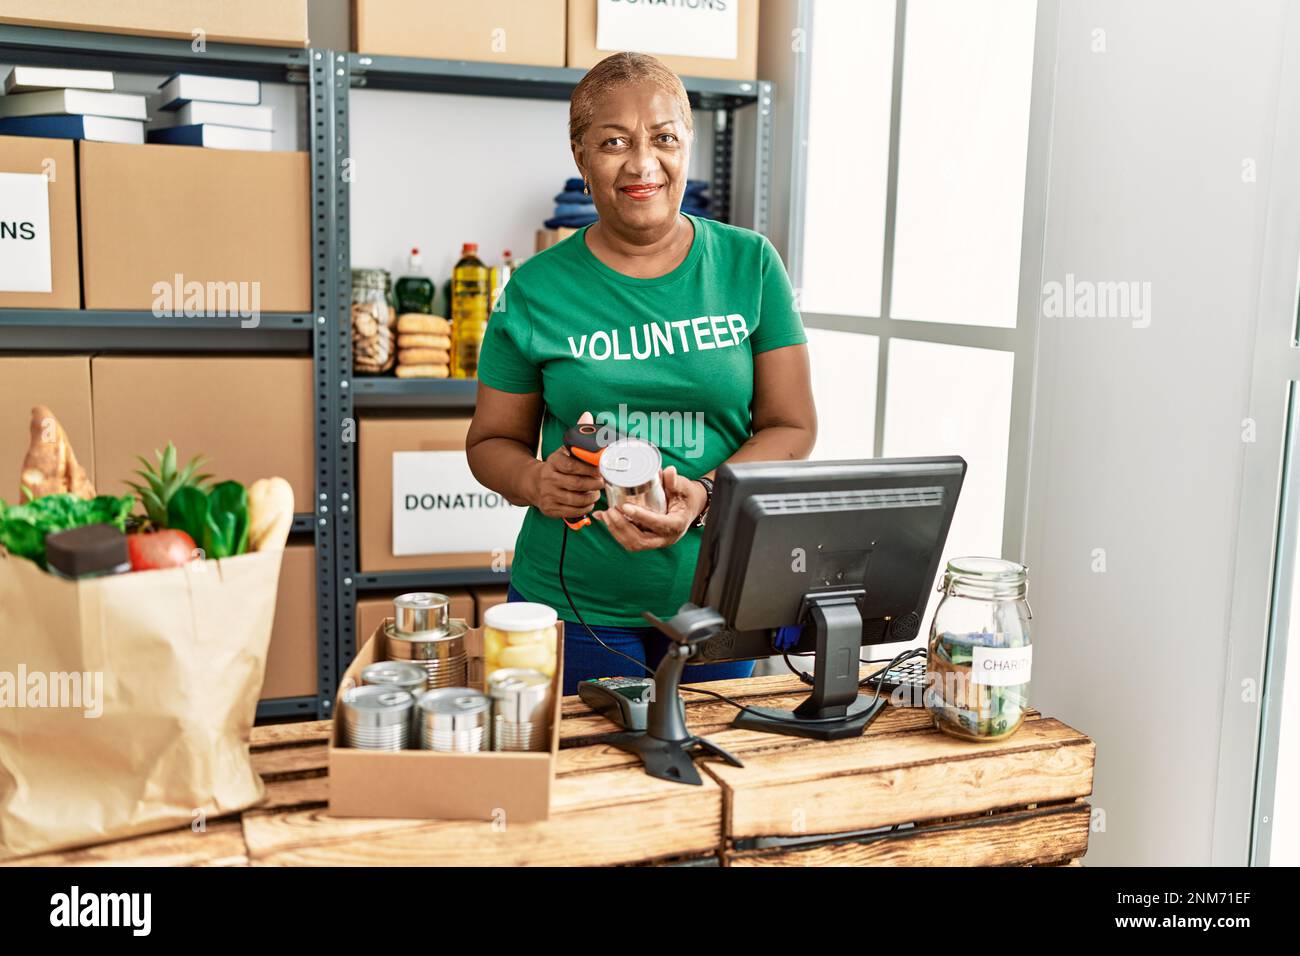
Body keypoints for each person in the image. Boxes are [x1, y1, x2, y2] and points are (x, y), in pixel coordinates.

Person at [466, 52, 816, 695]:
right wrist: (537, 480)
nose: (641, 163)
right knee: (590, 782)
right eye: (613, 142)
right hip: (572, 602)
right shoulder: (534, 290)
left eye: (663, 138)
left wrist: (708, 493)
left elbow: (792, 426)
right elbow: (490, 443)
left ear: (688, 146)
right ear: (580, 156)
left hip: (716, 597)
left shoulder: (750, 265)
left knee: (709, 779)